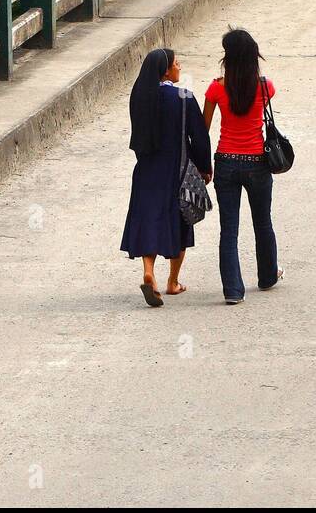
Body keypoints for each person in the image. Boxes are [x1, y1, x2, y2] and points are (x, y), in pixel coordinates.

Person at [121, 48, 212, 307]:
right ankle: (173, 281)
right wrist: (205, 166)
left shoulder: (140, 96)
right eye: (176, 63)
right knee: (179, 219)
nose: (179, 67)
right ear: (166, 70)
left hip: (147, 168)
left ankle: (149, 271)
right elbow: (199, 136)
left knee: (149, 217)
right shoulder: (183, 96)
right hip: (177, 168)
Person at [204, 29, 282, 305]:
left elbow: (203, 130)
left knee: (229, 230)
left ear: (227, 57)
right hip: (257, 163)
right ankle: (268, 275)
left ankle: (233, 291)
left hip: (226, 161)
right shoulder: (265, 87)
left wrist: (203, 165)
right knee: (263, 222)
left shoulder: (215, 89)